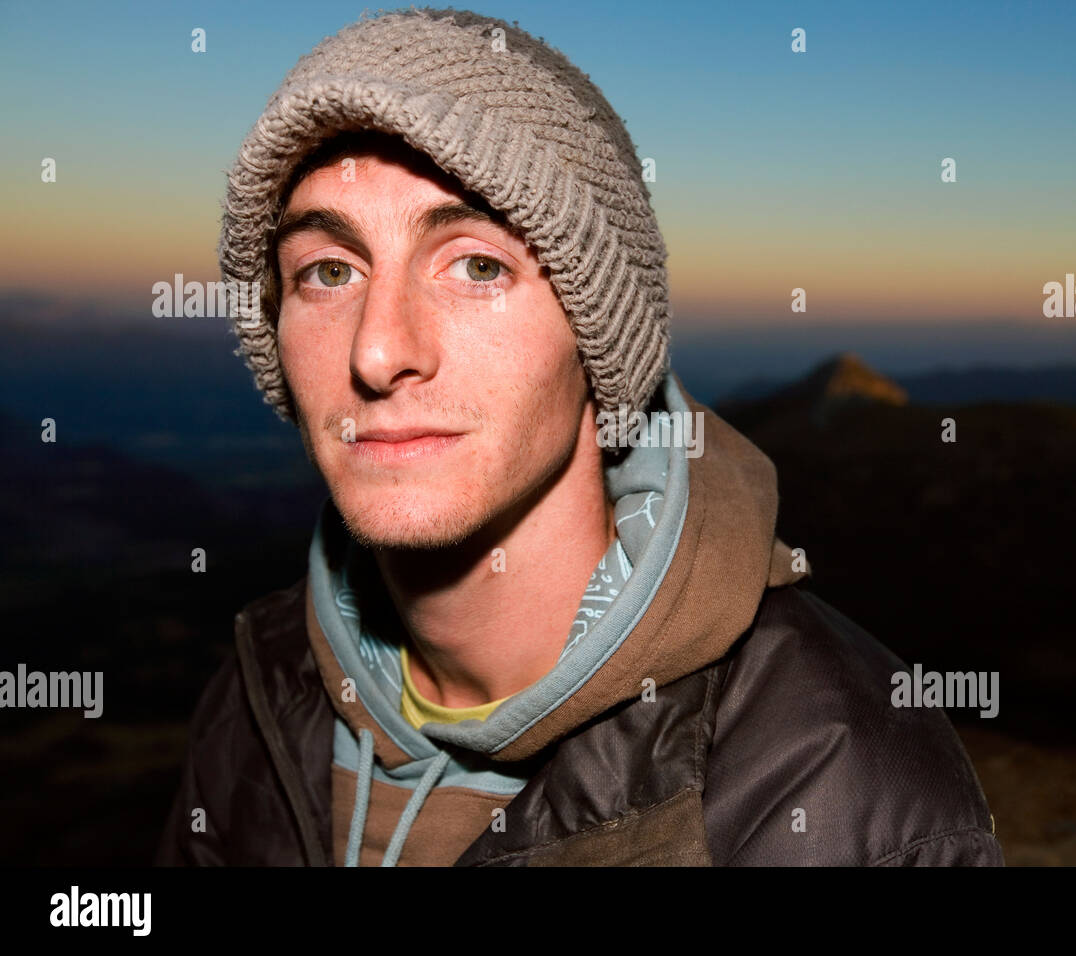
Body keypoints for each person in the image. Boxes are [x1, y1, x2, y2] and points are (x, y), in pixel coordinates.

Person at [155, 6, 1003, 867]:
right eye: (329, 272)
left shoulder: (836, 780)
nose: (378, 350)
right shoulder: (263, 690)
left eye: (479, 265)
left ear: (600, 341)